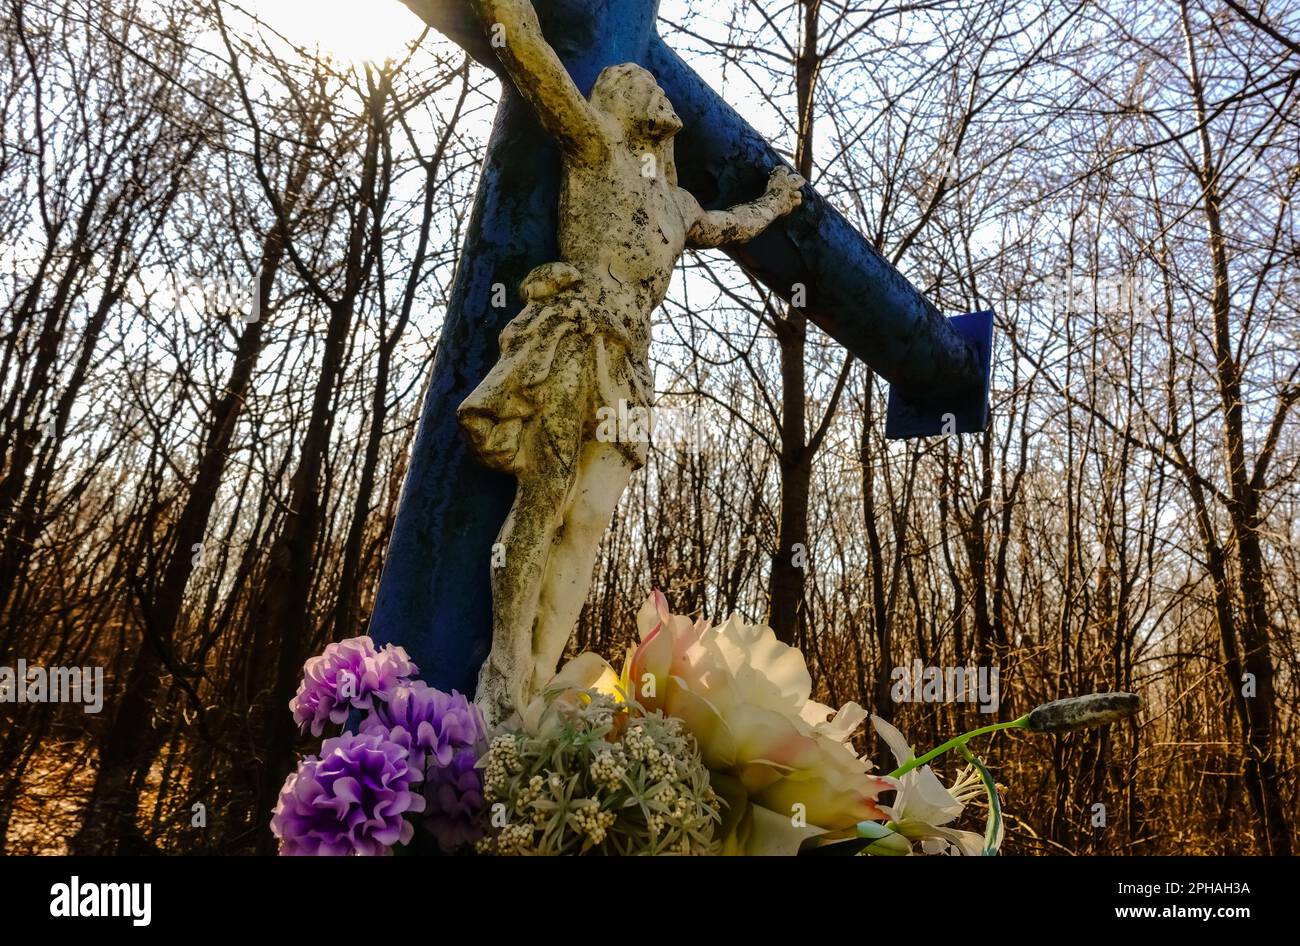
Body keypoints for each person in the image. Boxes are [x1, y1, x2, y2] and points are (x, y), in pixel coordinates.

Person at [459, 0, 805, 721]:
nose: (649, 86)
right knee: (544, 501)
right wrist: (507, 16)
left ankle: (540, 689)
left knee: (588, 519)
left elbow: (735, 224)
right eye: (633, 81)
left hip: (631, 367)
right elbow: (535, 62)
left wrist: (778, 200)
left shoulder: (679, 206)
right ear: (618, 101)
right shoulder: (595, 148)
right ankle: (503, 672)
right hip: (578, 336)